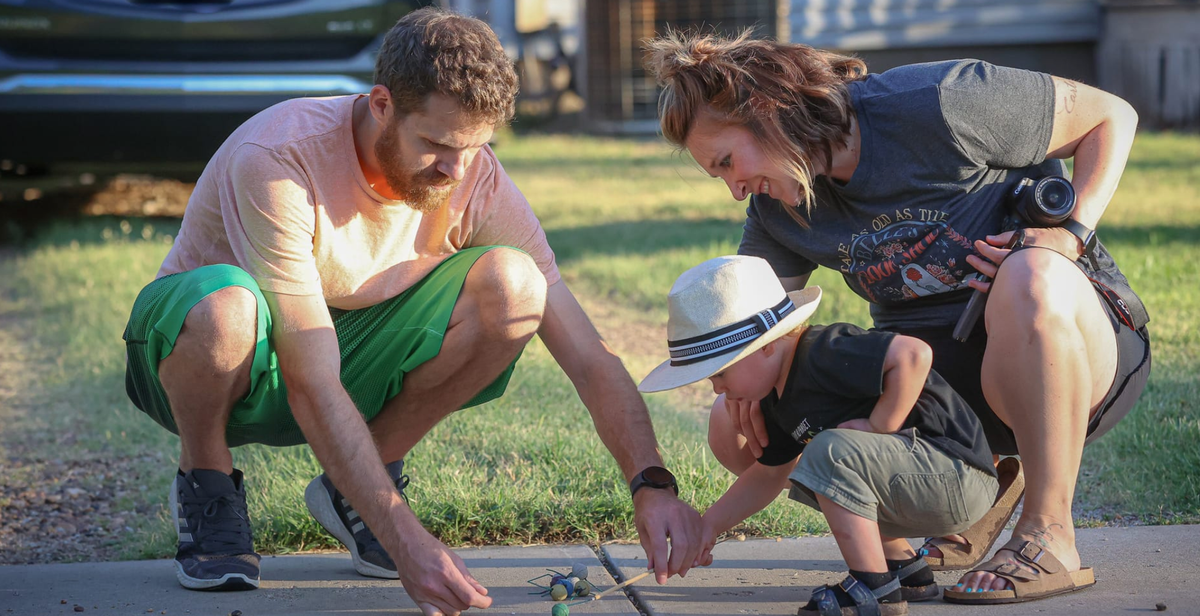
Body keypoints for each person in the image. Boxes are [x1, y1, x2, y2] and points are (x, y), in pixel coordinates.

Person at [121, 8, 702, 615]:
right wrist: (405, 540)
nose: (456, 170)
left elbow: (587, 355)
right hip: (217, 355)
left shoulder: (474, 177)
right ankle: (206, 482)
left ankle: (356, 488)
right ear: (382, 105)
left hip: (340, 352)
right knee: (225, 309)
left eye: (476, 147)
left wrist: (651, 483)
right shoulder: (279, 157)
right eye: (437, 144)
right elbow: (308, 379)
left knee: (516, 288)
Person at [645, 31, 1151, 605]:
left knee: (1029, 275)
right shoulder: (778, 210)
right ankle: (924, 530)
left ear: (767, 110)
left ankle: (1048, 532)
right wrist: (741, 387)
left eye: (728, 162)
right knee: (735, 415)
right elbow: (761, 333)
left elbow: (1112, 116)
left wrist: (1070, 234)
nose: (736, 190)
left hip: (1082, 350)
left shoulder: (936, 102)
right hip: (942, 401)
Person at [638, 255, 1002, 615]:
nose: (717, 388)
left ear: (765, 345)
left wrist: (879, 426)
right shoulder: (776, 398)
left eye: (720, 373)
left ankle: (874, 588)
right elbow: (767, 475)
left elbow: (914, 354)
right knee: (816, 469)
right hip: (922, 484)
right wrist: (708, 527)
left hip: (959, 475)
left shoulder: (824, 350)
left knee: (827, 453)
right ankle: (904, 567)